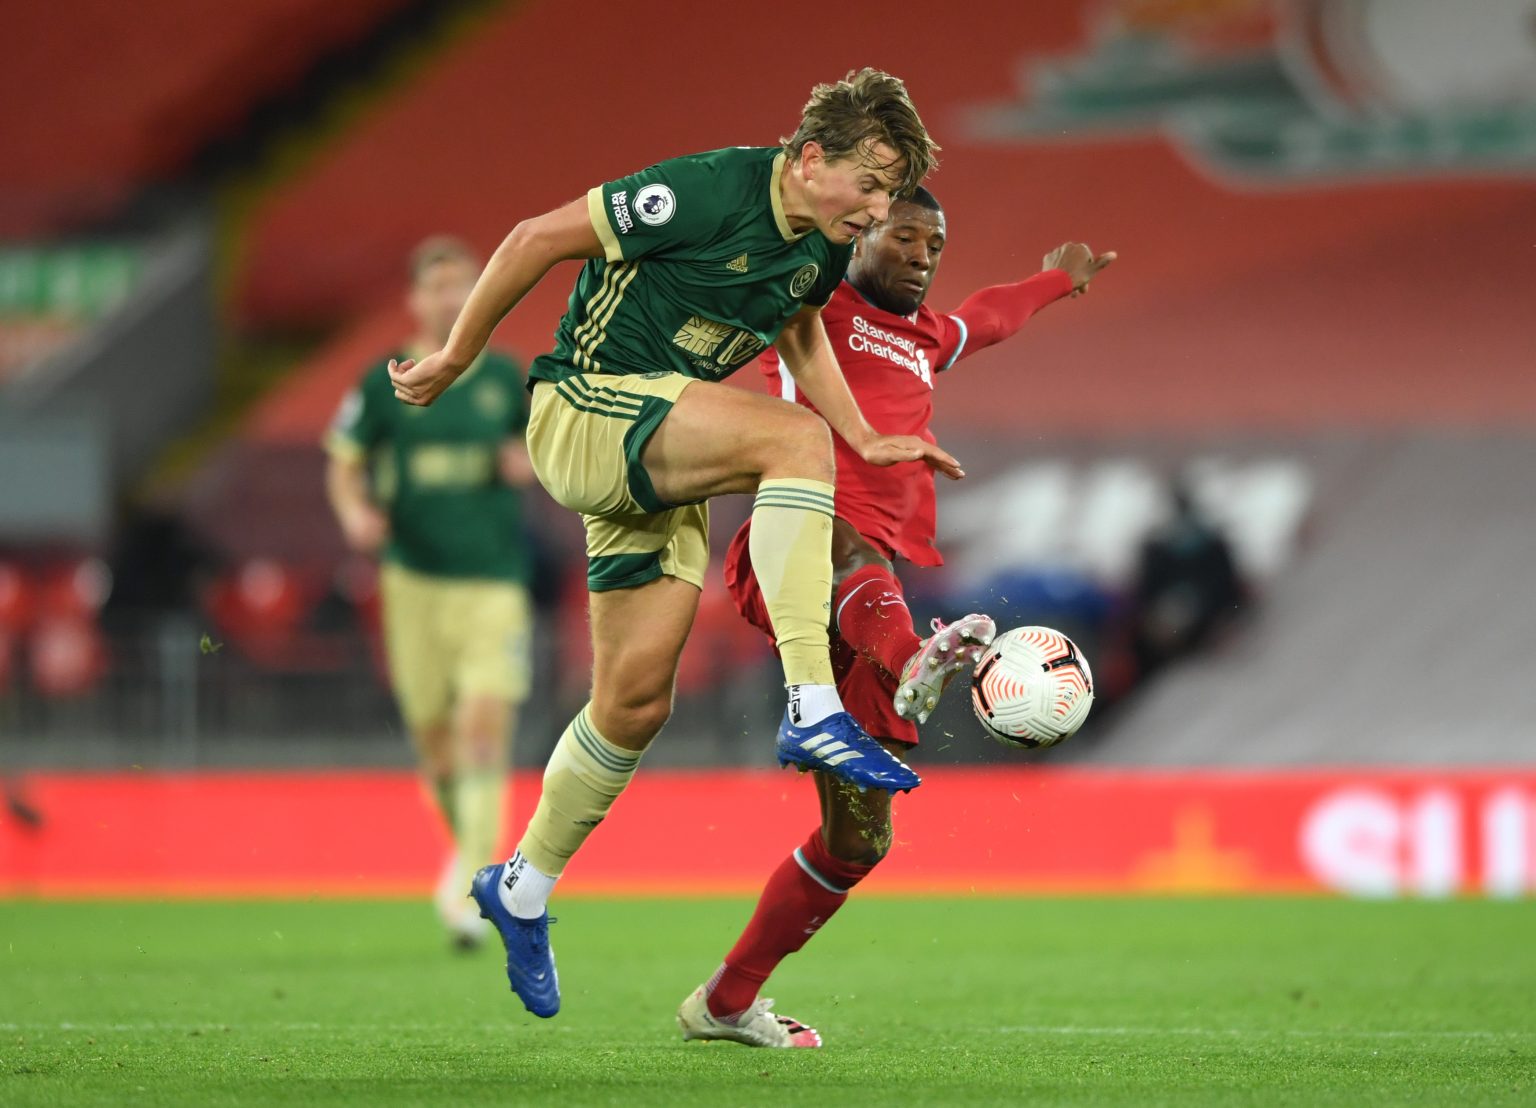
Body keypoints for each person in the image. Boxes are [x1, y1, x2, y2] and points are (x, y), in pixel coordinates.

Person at [388, 69, 956, 1019]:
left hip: (654, 451)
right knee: (791, 441)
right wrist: (454, 356)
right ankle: (814, 702)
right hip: (581, 410)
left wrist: (863, 435)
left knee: (635, 702)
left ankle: (520, 886)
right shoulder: (706, 190)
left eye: (887, 196)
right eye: (867, 186)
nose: (874, 211)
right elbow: (535, 238)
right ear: (812, 159)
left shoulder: (820, 244)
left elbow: (801, 324)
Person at [676, 187, 1116, 1047]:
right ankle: (917, 661)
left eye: (935, 243)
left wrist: (1055, 281)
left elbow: (985, 319)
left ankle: (724, 1002)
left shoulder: (923, 338)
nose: (922, 254)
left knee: (857, 841)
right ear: (858, 236)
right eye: (903, 236)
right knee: (846, 542)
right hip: (797, 545)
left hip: (867, 601)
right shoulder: (815, 300)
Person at [325, 236, 536, 949]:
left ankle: (467, 884)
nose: (452, 298)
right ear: (416, 299)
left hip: (493, 581)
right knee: (437, 747)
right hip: (410, 580)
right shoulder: (381, 380)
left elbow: (543, 449)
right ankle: (473, 863)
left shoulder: (504, 378)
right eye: (439, 287)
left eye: (463, 285)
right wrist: (354, 510)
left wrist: (529, 461)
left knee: (483, 726)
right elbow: (345, 462)